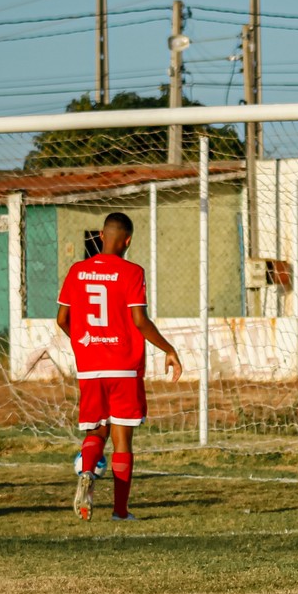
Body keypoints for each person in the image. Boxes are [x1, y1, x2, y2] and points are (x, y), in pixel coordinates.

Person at [57, 212, 182, 521]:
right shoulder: (132, 272)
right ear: (128, 241)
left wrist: (87, 344)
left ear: (101, 235)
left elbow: (62, 319)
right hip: (124, 368)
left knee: (96, 429)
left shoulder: (77, 271)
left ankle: (87, 471)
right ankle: (120, 512)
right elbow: (139, 320)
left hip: (90, 366)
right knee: (122, 440)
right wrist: (168, 349)